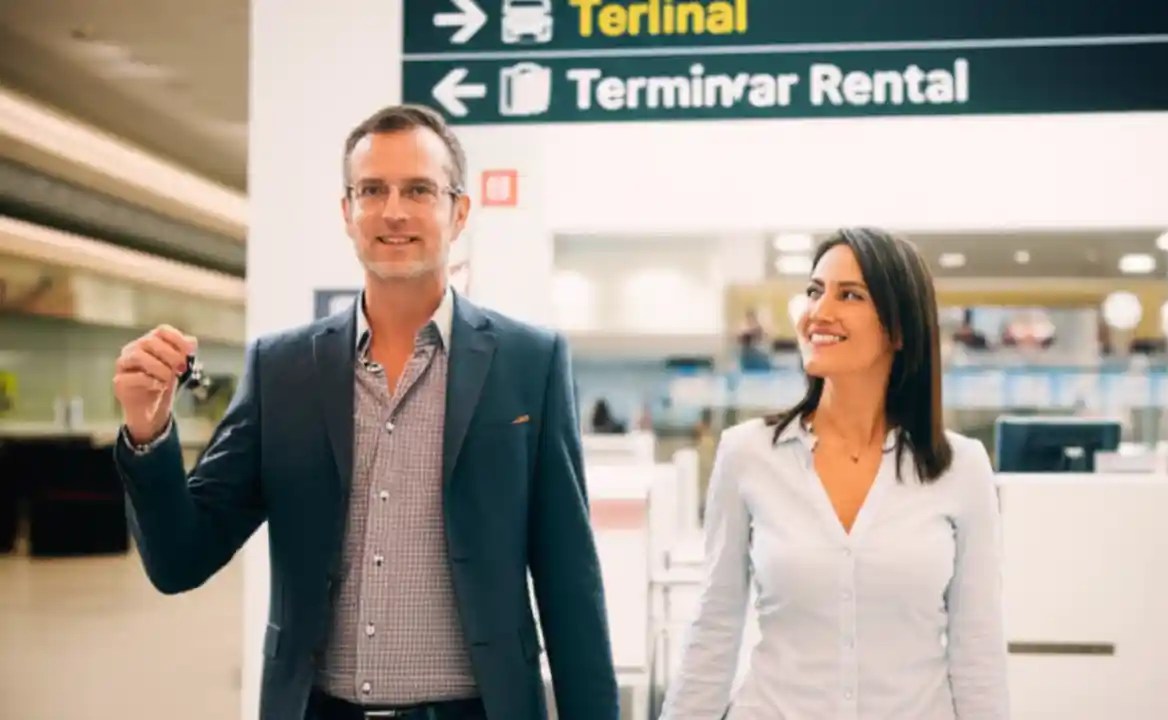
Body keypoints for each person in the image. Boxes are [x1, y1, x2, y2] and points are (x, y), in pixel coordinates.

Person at [111, 104, 619, 720]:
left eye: (419, 190)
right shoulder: (284, 370)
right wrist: (148, 430)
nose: (395, 210)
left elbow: (570, 586)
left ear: (458, 212)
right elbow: (179, 561)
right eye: (372, 190)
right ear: (347, 211)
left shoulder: (529, 362)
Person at [660, 227, 1009, 719]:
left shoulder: (961, 468)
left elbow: (978, 654)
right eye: (814, 291)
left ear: (899, 328)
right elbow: (714, 630)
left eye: (850, 295)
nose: (818, 314)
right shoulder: (748, 454)